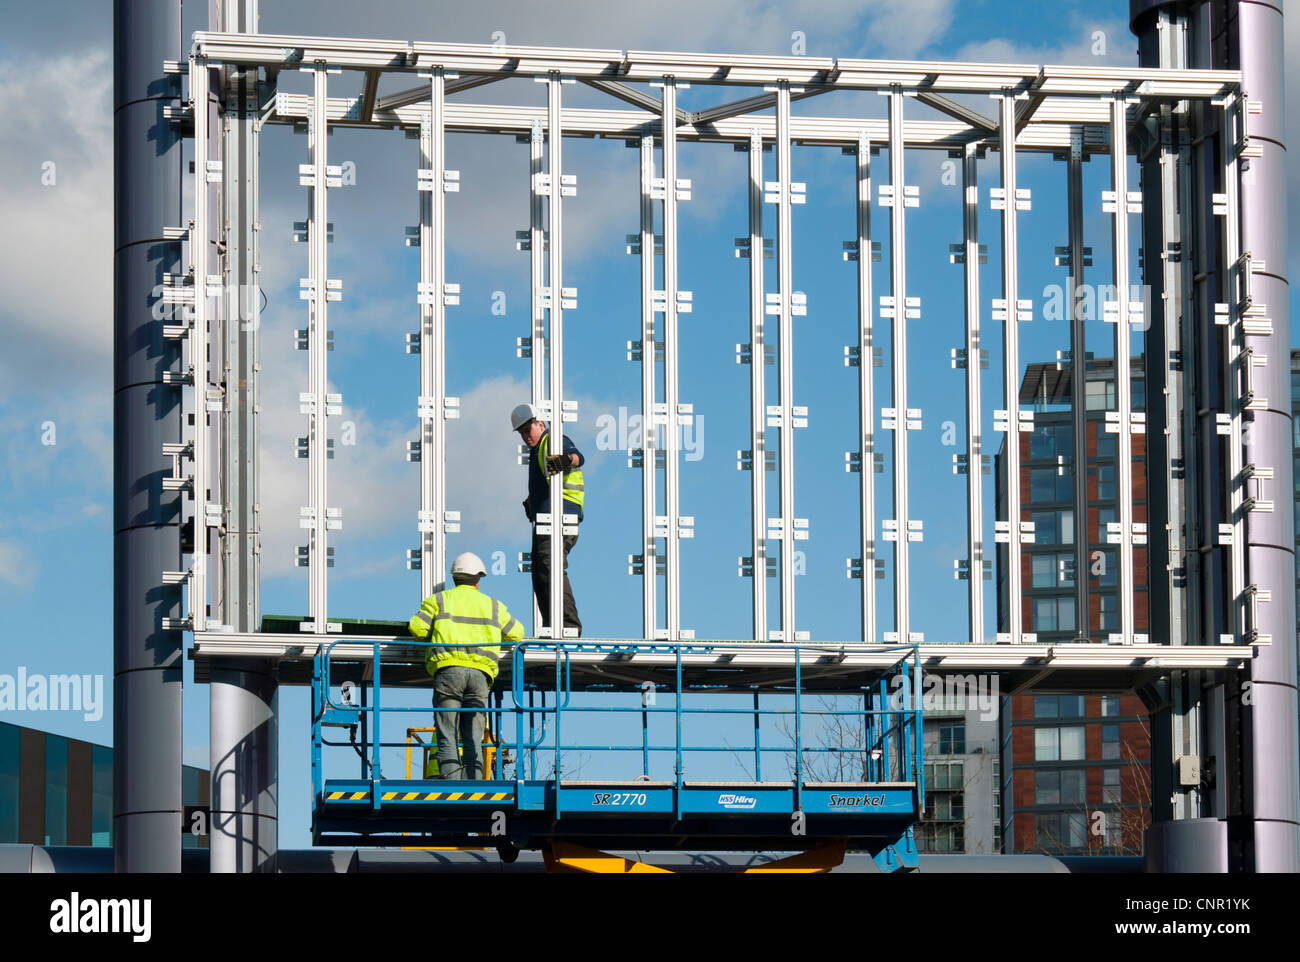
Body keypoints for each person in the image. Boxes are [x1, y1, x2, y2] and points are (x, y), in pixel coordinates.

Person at [407, 552, 524, 780]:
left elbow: (417, 629)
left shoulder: (440, 600)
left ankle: (452, 785)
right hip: (480, 676)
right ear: (479, 579)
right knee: (474, 735)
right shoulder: (492, 605)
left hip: (449, 671)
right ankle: (476, 784)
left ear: (454, 578)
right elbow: (517, 633)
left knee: (447, 732)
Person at [511, 402, 584, 636]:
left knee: (550, 566)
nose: (524, 436)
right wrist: (533, 500)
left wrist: (565, 460)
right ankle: (552, 625)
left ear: (540, 423)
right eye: (521, 432)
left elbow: (578, 457)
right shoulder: (537, 450)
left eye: (527, 430)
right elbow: (546, 480)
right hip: (547, 518)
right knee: (541, 571)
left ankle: (568, 626)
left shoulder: (552, 440)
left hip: (561, 517)